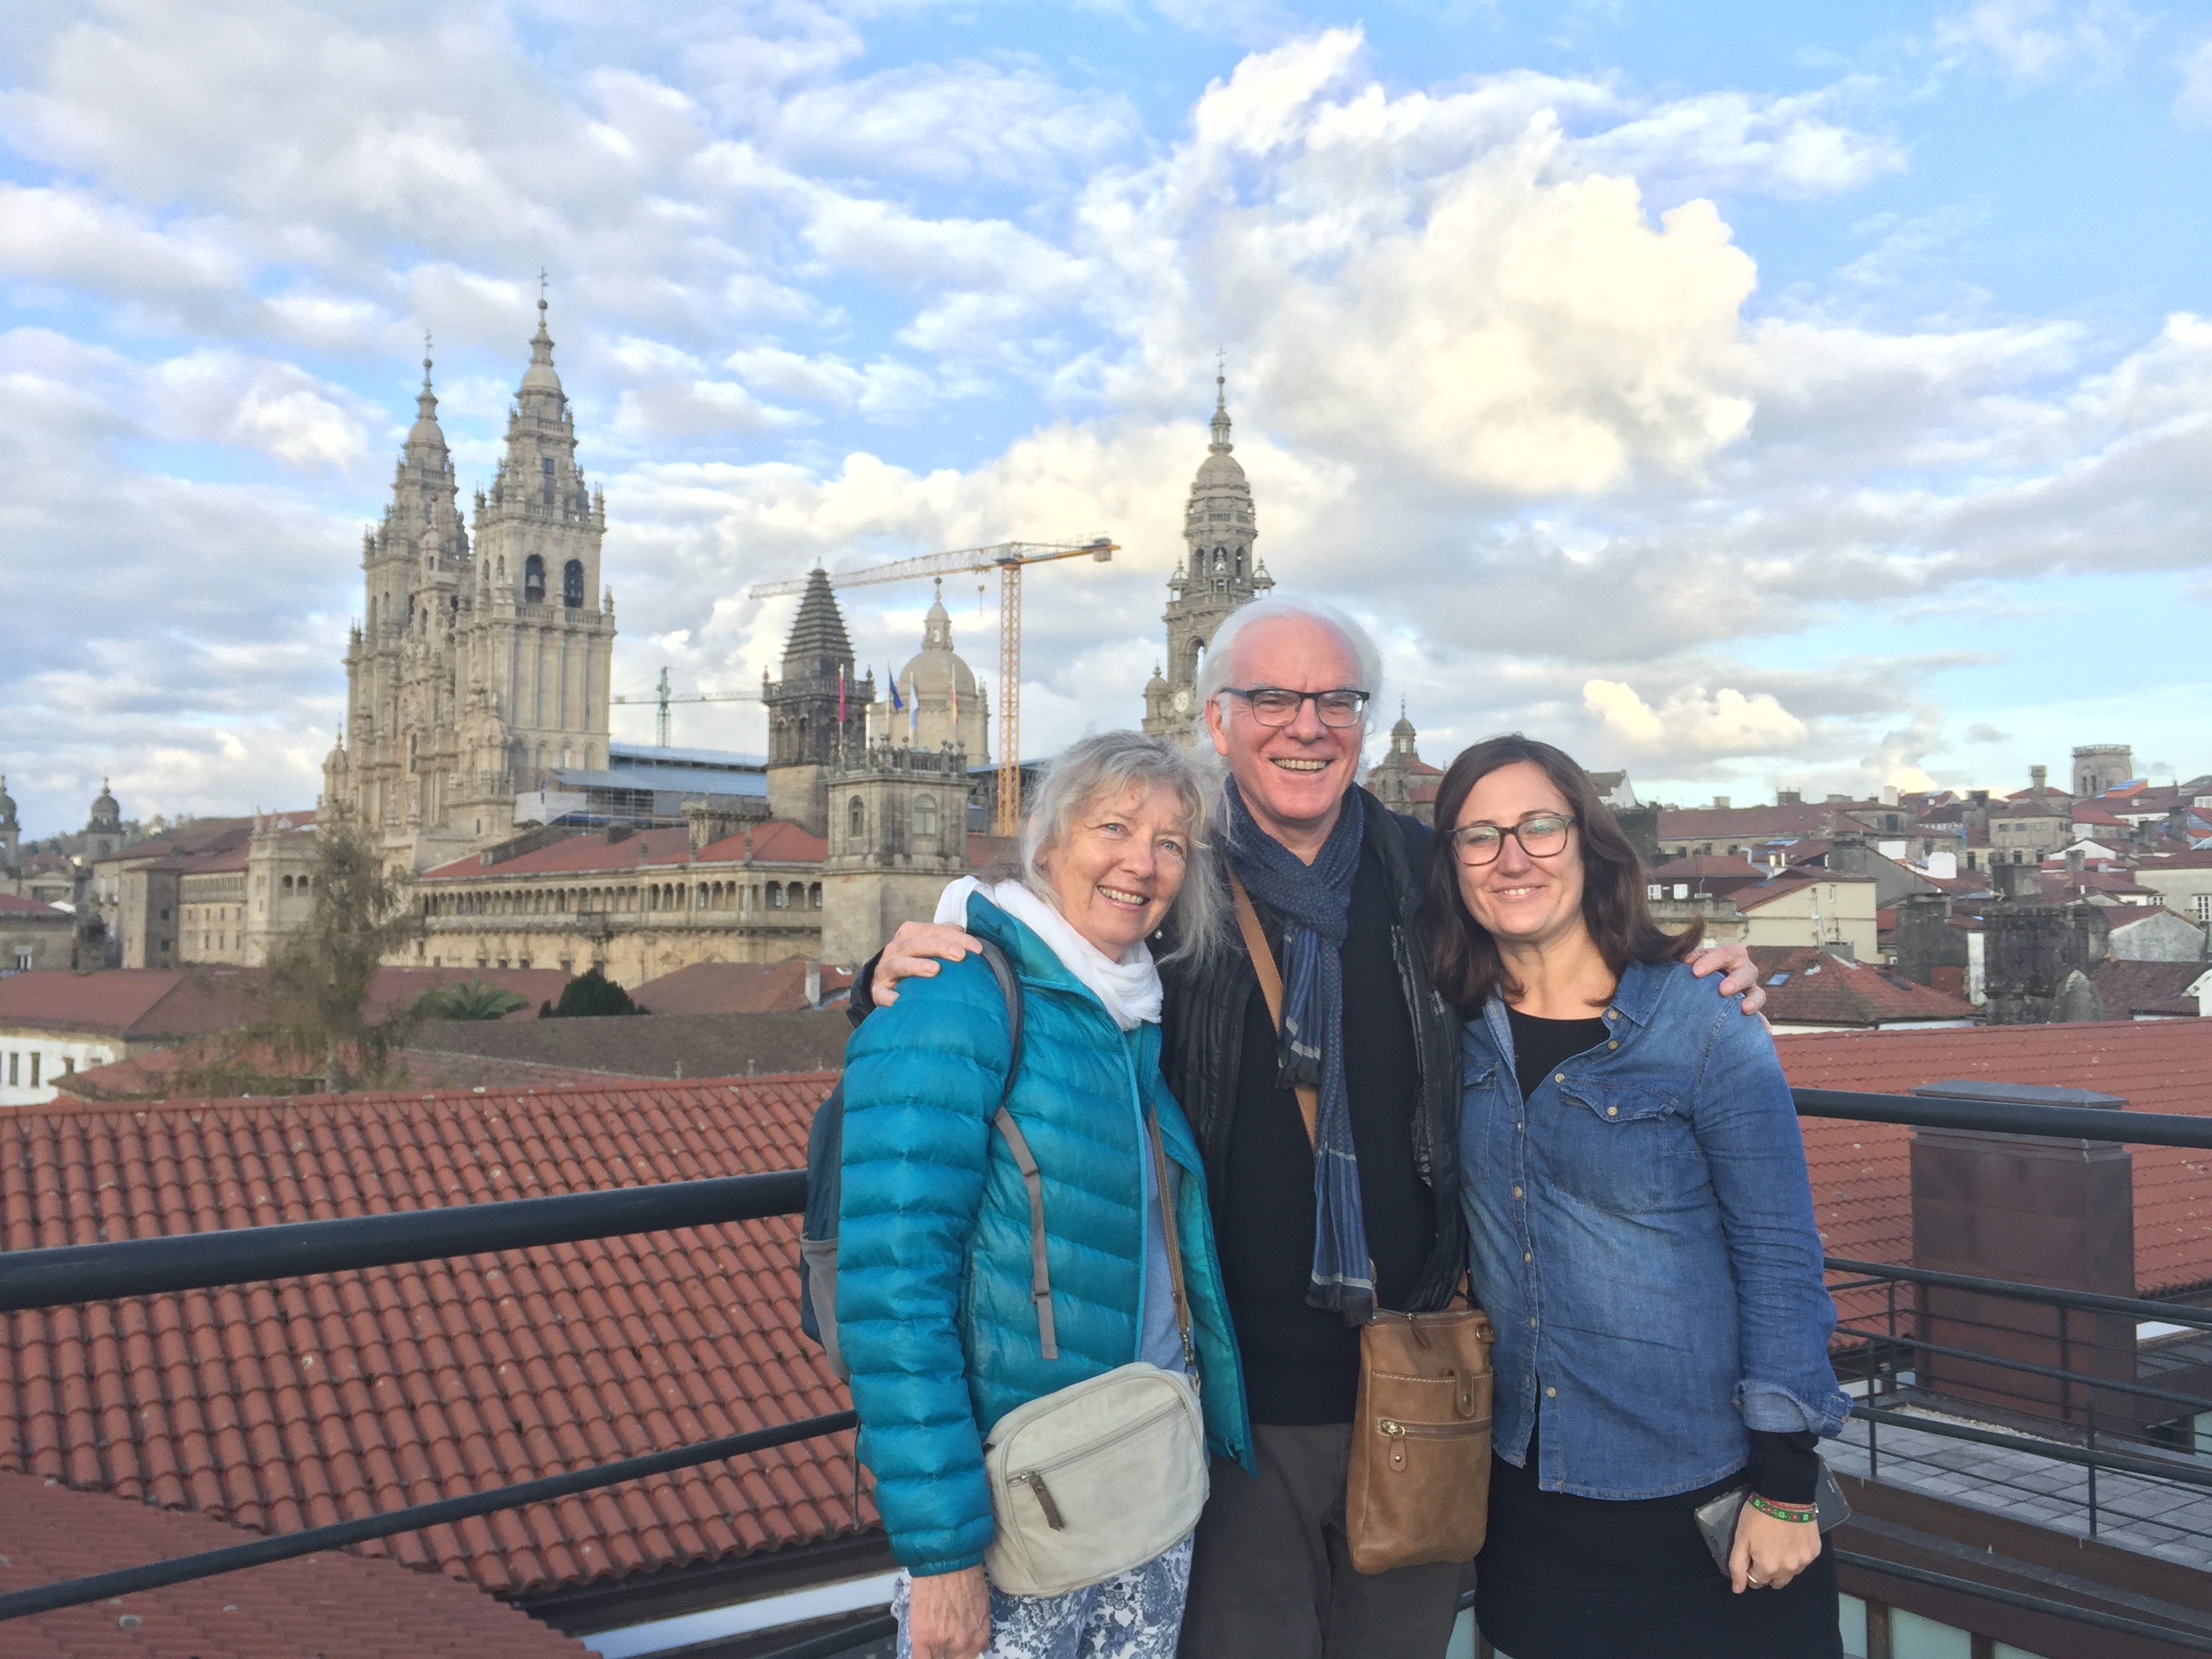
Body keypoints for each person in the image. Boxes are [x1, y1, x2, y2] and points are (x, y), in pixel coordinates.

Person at [861, 598, 1774, 1659]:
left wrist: (1685, 971)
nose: (1308, 725)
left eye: (1336, 700)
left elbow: (1557, 939)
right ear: (1217, 719)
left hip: (1420, 1381)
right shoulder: (1172, 874)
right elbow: (1043, 956)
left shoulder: (1430, 874)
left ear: (1363, 722)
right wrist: (892, 973)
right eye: (1273, 699)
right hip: (1232, 1409)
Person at [1428, 734, 1850, 1659]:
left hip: (1703, 1493)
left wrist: (1786, 1485)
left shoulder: (1701, 1019)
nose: (1512, 858)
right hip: (1529, 1498)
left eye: (1540, 827)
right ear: (1452, 865)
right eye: (1480, 836)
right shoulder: (1448, 1026)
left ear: (1589, 843)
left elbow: (1780, 1254)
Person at [838, 731, 1250, 1659]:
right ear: (1048, 840)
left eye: (1171, 842)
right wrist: (944, 1556)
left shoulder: (1132, 1003)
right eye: (1114, 828)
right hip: (1015, 1507)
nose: (1142, 863)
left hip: (1141, 1478)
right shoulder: (956, 995)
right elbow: (891, 1295)